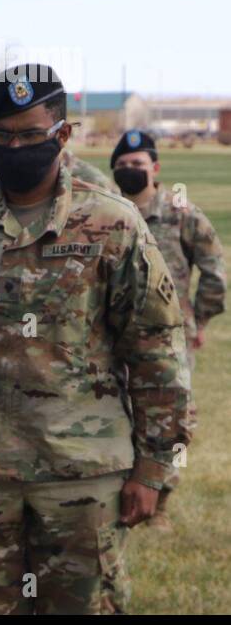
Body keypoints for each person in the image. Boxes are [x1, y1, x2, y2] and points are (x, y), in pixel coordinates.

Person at [0, 65, 190, 614]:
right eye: (2, 137)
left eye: (30, 135)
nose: (15, 147)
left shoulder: (112, 224)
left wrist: (155, 469)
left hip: (82, 477)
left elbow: (157, 351)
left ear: (62, 135)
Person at [110, 128, 225, 527]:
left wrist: (201, 320)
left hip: (172, 338)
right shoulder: (106, 216)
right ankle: (123, 490)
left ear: (155, 168)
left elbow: (214, 270)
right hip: (114, 338)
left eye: (137, 164)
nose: (129, 170)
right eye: (122, 166)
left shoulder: (181, 213)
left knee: (174, 416)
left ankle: (163, 500)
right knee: (120, 410)